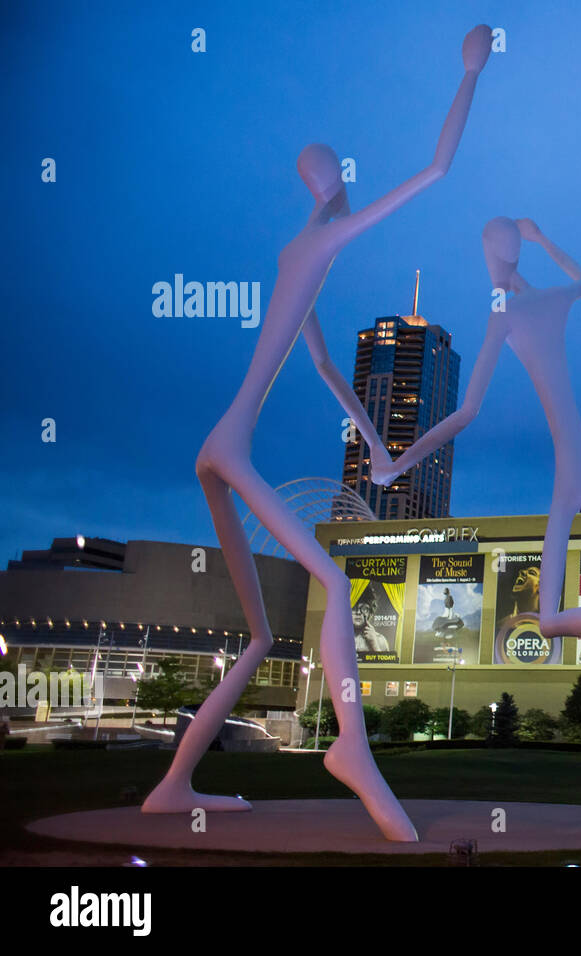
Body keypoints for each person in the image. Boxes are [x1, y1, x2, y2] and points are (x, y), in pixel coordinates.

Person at [141, 25, 494, 843]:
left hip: (217, 447)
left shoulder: (296, 254)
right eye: (329, 172)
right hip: (228, 447)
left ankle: (173, 783)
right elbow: (436, 172)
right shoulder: (323, 237)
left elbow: (328, 365)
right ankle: (352, 750)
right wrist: (469, 72)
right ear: (320, 185)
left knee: (265, 634)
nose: (338, 182)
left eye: (337, 171)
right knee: (335, 587)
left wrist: (373, 437)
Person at [376, 217, 581, 816]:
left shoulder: (503, 313)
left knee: (550, 620)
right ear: (517, 248)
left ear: (486, 253)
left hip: (570, 477)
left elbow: (467, 411)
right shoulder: (547, 298)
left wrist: (402, 459)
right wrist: (543, 236)